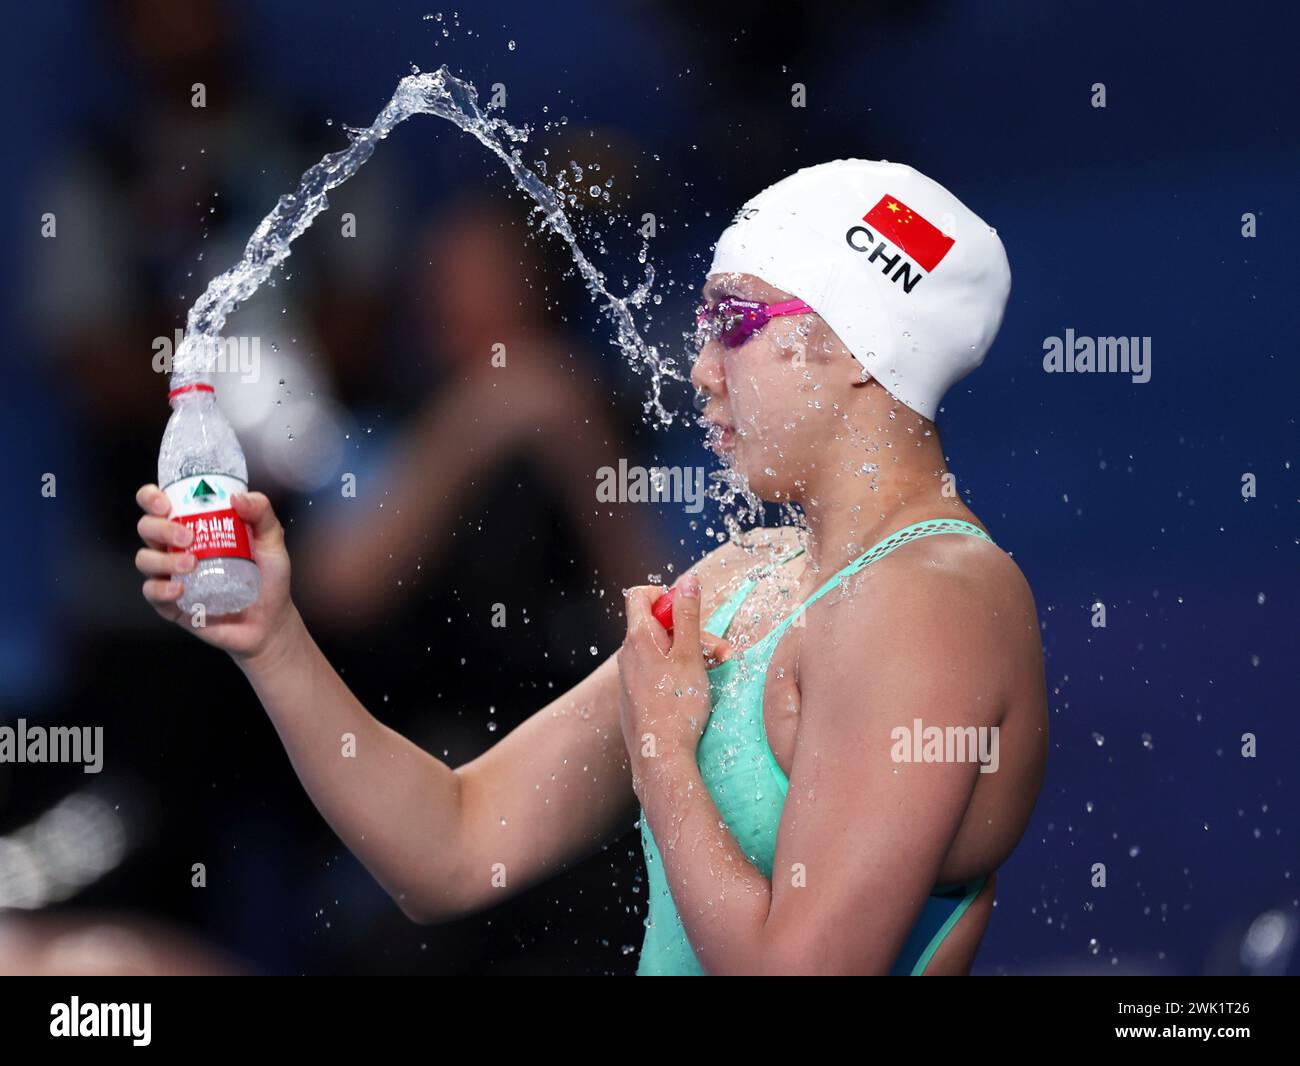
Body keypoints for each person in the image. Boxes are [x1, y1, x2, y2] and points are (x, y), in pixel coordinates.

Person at [133, 160, 1047, 975]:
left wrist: (661, 753)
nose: (698, 370)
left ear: (852, 346)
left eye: (733, 323)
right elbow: (451, 846)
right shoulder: (748, 579)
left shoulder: (934, 603)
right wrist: (272, 639)